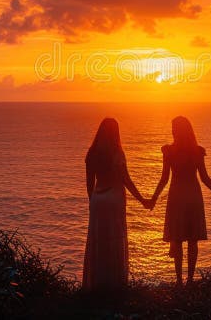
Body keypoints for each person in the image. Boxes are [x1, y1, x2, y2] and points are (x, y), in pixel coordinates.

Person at [149, 116, 211, 285]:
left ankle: (180, 280)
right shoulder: (197, 151)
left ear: (179, 130)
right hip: (193, 195)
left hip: (177, 196)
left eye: (174, 128)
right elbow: (205, 178)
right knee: (192, 240)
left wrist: (154, 198)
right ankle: (190, 280)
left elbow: (164, 178)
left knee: (178, 239)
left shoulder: (169, 151)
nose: (172, 131)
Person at [83, 118, 149, 292]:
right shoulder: (117, 153)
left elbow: (89, 184)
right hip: (114, 199)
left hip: (98, 200)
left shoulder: (92, 153)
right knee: (114, 241)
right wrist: (142, 200)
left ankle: (96, 284)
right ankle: (115, 285)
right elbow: (125, 179)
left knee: (98, 242)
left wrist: (92, 202)